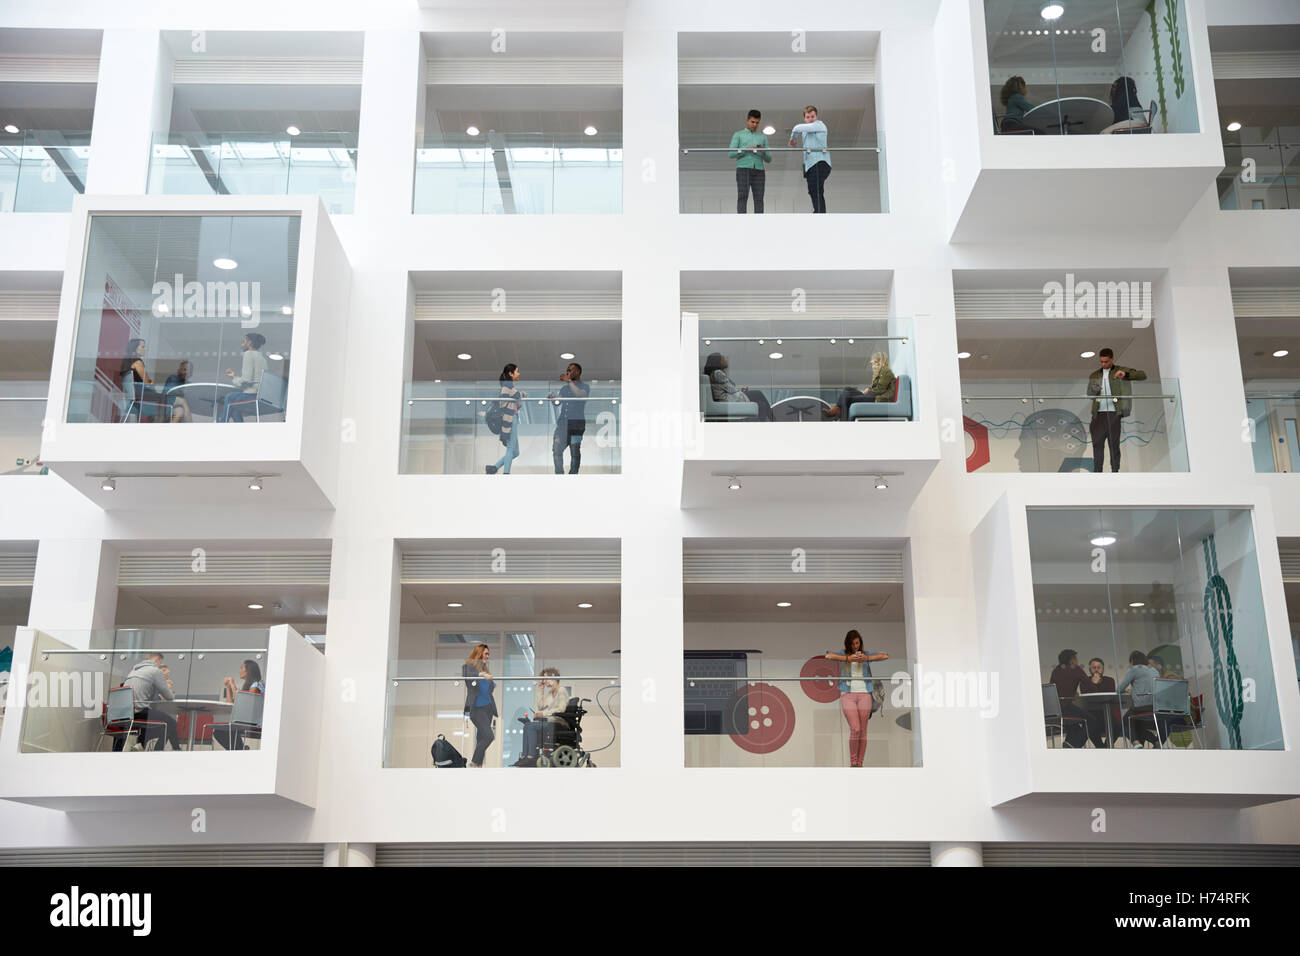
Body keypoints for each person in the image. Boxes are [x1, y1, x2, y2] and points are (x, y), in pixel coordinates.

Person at [824, 630, 889, 767]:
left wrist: (867, 659)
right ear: (848, 644)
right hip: (848, 694)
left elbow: (885, 656)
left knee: (863, 730)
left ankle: (860, 763)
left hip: (865, 693)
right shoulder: (844, 654)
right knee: (856, 728)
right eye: (853, 644)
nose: (856, 646)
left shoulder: (865, 654)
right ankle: (853, 761)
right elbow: (828, 655)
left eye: (857, 643)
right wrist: (848, 659)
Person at [1086, 348, 1147, 473]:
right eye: (1101, 362)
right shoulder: (1094, 375)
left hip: (1114, 413)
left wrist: (1126, 375)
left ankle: (1115, 471)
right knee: (1097, 444)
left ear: (1112, 359)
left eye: (1106, 361)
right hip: (1098, 414)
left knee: (1114, 445)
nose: (1103, 364)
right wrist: (1094, 389)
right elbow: (1089, 393)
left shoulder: (1121, 370)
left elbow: (1142, 375)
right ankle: (1097, 472)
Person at [113, 652, 181, 751]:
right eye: (160, 662)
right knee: (171, 724)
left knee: (159, 727)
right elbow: (169, 696)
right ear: (157, 660)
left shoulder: (133, 671)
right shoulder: (155, 671)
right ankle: (160, 753)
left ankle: (140, 745)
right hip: (139, 712)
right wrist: (168, 688)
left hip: (123, 714)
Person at [210, 659, 265, 751]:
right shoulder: (248, 685)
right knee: (219, 732)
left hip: (253, 721)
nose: (239, 670)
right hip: (243, 720)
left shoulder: (256, 685)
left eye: (241, 668)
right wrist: (228, 687)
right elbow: (231, 703)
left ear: (248, 671)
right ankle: (241, 750)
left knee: (225, 731)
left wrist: (232, 684)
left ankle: (240, 750)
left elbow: (245, 701)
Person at [703, 353, 773, 421]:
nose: (725, 360)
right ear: (718, 362)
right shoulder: (718, 373)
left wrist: (741, 392)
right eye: (723, 358)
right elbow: (732, 390)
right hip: (729, 401)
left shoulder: (715, 373)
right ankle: (773, 419)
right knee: (758, 394)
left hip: (730, 398)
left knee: (762, 404)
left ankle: (767, 421)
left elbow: (729, 389)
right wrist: (742, 393)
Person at [1117, 650, 1167, 747]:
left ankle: (1136, 742)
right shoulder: (1154, 671)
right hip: (1155, 707)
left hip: (1141, 707)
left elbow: (1119, 689)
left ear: (1132, 661)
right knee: (1137, 724)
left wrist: (1128, 690)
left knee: (1123, 722)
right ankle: (1156, 742)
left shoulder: (1134, 669)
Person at [824, 351, 896, 419]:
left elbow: (880, 390)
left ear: (879, 361)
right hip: (873, 396)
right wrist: (868, 390)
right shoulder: (881, 373)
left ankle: (840, 415)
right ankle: (837, 409)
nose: (871, 362)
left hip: (879, 399)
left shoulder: (886, 372)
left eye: (873, 360)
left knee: (847, 398)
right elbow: (878, 388)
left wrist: (869, 390)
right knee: (847, 389)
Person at [1048, 649, 1095, 748]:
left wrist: (1072, 693)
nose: (1077, 661)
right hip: (1066, 707)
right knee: (1092, 720)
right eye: (1076, 658)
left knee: (1076, 726)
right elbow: (1091, 687)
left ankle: (1068, 744)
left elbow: (1055, 690)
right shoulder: (1075, 669)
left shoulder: (1056, 671)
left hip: (1054, 711)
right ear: (1072, 660)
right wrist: (1095, 681)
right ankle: (1075, 745)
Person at [549, 362, 590, 474]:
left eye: (570, 370)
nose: (568, 372)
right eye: (567, 370)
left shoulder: (584, 386)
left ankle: (573, 475)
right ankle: (559, 474)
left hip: (577, 424)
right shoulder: (564, 388)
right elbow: (558, 402)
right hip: (562, 423)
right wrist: (554, 398)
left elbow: (580, 395)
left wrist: (569, 381)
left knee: (574, 450)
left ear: (578, 372)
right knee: (556, 449)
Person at [520, 666, 569, 760]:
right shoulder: (550, 693)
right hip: (550, 723)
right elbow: (541, 706)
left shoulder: (561, 690)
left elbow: (561, 709)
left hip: (558, 723)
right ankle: (525, 756)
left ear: (553, 677)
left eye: (546, 678)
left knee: (530, 726)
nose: (544, 681)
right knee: (527, 725)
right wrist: (541, 689)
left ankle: (531, 756)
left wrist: (543, 714)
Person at [789, 105, 831, 213]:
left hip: (820, 162)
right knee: (813, 190)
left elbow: (796, 128)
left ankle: (820, 213)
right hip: (810, 165)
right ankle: (818, 211)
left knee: (816, 189)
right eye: (808, 117)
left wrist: (793, 138)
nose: (810, 119)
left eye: (812, 116)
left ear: (816, 116)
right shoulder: (805, 132)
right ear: (804, 118)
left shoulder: (820, 125)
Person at [729, 109, 772, 214]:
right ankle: (742, 221)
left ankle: (759, 223)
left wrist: (762, 151)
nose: (755, 125)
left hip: (759, 170)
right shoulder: (738, 135)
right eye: (752, 122)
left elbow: (769, 159)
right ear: (747, 120)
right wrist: (745, 149)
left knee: (759, 198)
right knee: (742, 196)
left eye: (757, 122)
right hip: (743, 169)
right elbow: (731, 154)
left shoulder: (762, 137)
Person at [462, 644, 497, 767]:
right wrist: (482, 675)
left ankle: (479, 766)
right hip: (477, 708)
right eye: (486, 653)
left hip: (488, 708)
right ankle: (474, 762)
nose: (487, 656)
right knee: (489, 736)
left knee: (481, 738)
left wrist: (488, 679)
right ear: (479, 653)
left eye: (488, 654)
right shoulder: (468, 667)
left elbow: (491, 688)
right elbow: (468, 678)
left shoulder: (485, 669)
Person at [220, 332, 268, 422]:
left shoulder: (248, 354)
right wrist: (234, 376)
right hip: (261, 396)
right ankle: (239, 425)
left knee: (229, 397)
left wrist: (234, 378)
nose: (242, 344)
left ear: (249, 343)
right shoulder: (262, 358)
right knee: (233, 403)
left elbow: (246, 380)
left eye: (243, 341)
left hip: (252, 396)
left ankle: (222, 423)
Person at [486, 363, 525, 475]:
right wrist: (522, 393)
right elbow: (517, 396)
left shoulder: (509, 386)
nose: (519, 374)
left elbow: (517, 402)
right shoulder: (507, 386)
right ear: (510, 373)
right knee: (511, 448)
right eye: (517, 371)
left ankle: (493, 468)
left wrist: (519, 395)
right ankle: (506, 473)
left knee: (515, 452)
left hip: (512, 419)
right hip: (509, 419)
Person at [120, 338, 166, 422]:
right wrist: (152, 382)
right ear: (135, 348)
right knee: (164, 398)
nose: (145, 349)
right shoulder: (138, 362)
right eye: (143, 347)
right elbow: (148, 382)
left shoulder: (126, 362)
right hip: (140, 395)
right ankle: (158, 424)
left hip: (133, 397)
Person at [1080, 657, 1120, 748]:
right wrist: (1093, 683)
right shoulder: (1084, 682)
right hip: (1092, 714)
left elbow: (1109, 697)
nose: (1097, 670)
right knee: (1090, 726)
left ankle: (1106, 746)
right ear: (1090, 670)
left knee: (1118, 727)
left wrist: (1097, 683)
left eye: (1099, 667)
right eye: (1094, 668)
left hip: (1107, 714)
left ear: (1103, 669)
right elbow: (1087, 699)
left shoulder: (1110, 680)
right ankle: (1100, 747)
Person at [162, 359, 193, 423]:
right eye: (184, 369)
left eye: (189, 370)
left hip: (178, 410)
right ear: (178, 370)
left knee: (180, 411)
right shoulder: (173, 378)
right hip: (166, 406)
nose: (186, 372)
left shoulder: (189, 384)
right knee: (182, 402)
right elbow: (170, 393)